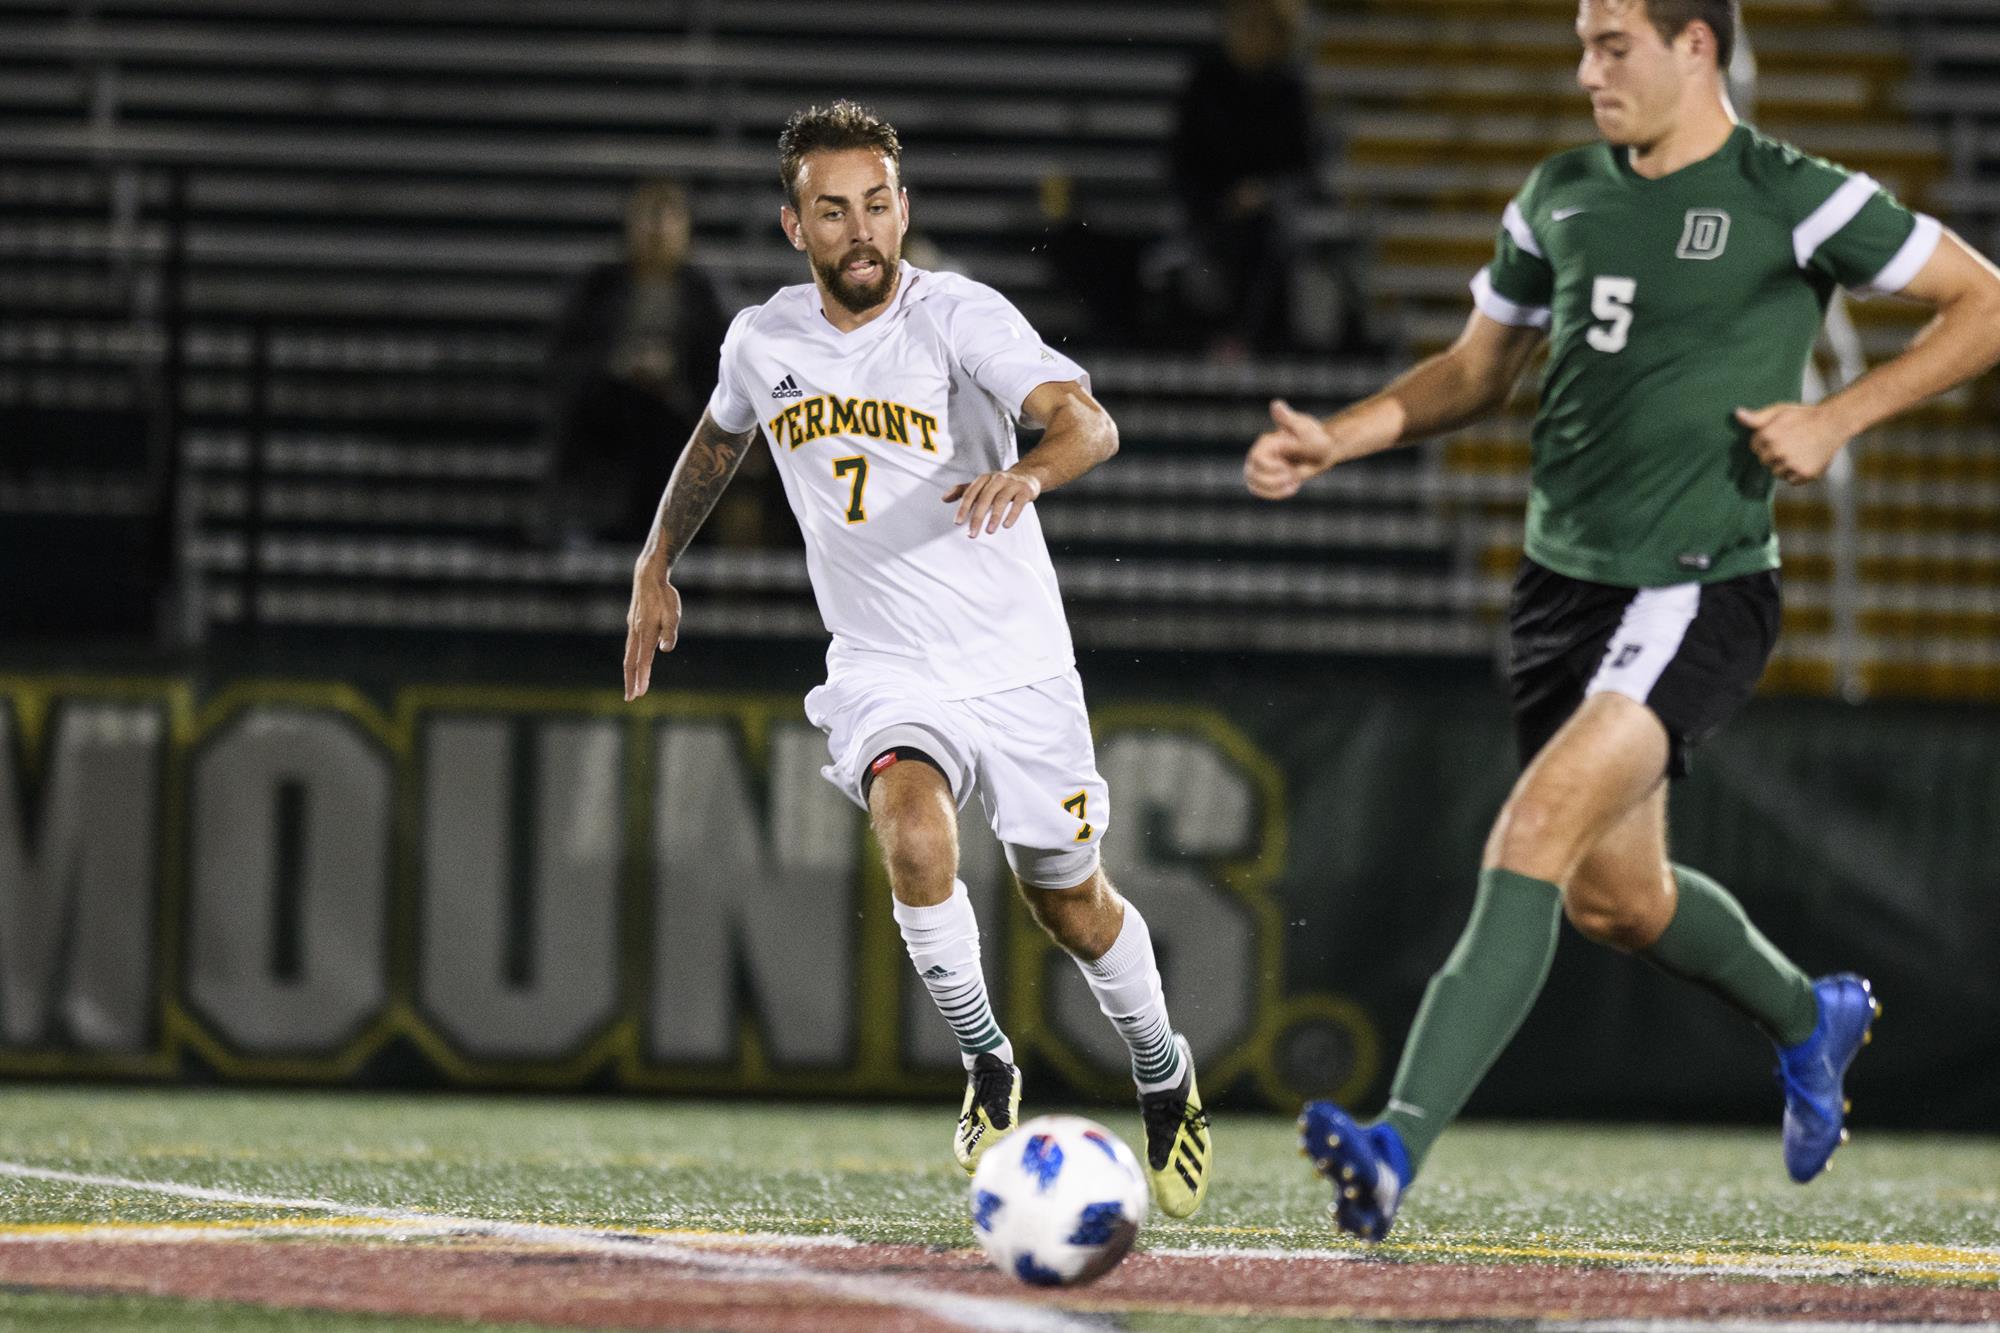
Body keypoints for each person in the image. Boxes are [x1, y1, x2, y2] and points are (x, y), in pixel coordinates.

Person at [1243, 0, 2000, 1241]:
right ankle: (1810, 1016)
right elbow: (1476, 370)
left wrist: (1834, 417)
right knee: (1616, 900)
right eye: (1583, 45)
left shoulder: (1789, 191)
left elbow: (1976, 301)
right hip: (1559, 590)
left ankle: (1393, 1146)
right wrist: (1343, 434)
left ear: (1693, 46)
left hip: (1696, 584)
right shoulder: (1558, 191)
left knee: (1532, 827)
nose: (1585, 71)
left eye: (1613, 47)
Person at [622, 101, 1214, 1217]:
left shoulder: (958, 317)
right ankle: (988, 1060)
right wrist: (656, 559)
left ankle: (1160, 1065)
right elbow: (718, 434)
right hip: (886, 664)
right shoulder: (762, 337)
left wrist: (1029, 473)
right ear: (792, 225)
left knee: (1072, 908)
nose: (861, 231)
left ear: (905, 209)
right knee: (908, 818)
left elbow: (1089, 423)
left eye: (878, 205)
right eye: (833, 210)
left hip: (1018, 664)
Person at [542, 179, 749, 546]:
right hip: (611, 418)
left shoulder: (703, 294)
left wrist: (673, 375)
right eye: (646, 219)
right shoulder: (600, 287)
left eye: (667, 218)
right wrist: (621, 366)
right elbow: (567, 356)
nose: (656, 231)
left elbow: (724, 366)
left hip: (679, 419)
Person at [1168, 0, 1318, 357]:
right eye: (1242, 27)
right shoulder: (1206, 82)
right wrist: (1219, 198)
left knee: (1268, 247)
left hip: (1268, 218)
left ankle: (1253, 340)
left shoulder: (1289, 89)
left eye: (1259, 28)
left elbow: (1304, 168)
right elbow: (1184, 161)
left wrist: (1264, 192)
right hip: (1209, 210)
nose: (1248, 38)